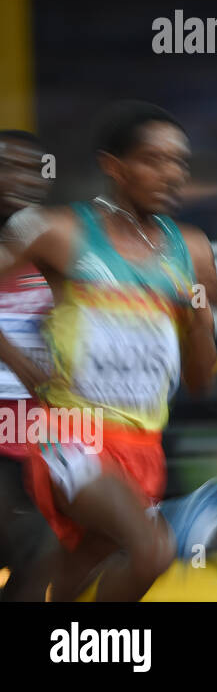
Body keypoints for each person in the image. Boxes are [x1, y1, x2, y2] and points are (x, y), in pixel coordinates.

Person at [0, 102, 217, 601]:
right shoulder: (57, 232)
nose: (171, 174)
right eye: (153, 160)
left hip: (143, 443)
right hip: (71, 435)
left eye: (179, 163)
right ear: (113, 166)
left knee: (74, 567)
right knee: (153, 550)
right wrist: (18, 361)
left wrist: (200, 320)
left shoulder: (192, 250)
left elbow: (201, 381)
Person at [0, 131, 59, 600]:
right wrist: (16, 359)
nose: (22, 180)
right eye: (9, 167)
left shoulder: (53, 247)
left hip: (34, 422)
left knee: (37, 551)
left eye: (33, 170)